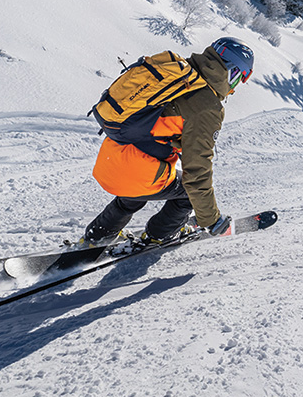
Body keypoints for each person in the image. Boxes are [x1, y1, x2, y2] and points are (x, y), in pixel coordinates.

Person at [83, 37, 254, 245]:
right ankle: (159, 235)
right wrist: (211, 219)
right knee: (187, 192)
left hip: (110, 161)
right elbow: (197, 172)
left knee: (135, 191)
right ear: (231, 72)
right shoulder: (207, 106)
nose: (235, 88)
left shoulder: (178, 75)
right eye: (240, 79)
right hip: (136, 173)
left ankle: (97, 235)